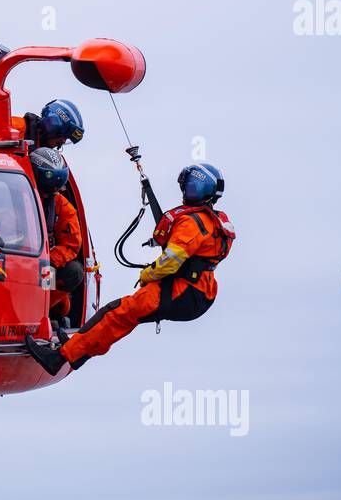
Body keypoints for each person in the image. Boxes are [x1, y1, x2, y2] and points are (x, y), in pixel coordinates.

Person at [25, 162, 235, 375]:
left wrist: (147, 274)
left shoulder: (191, 222)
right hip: (202, 292)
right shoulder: (214, 221)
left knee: (115, 314)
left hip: (182, 289)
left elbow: (172, 260)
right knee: (119, 319)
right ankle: (73, 347)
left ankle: (59, 358)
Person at [29, 147, 85, 323]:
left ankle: (41, 311)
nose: (52, 194)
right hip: (15, 261)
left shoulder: (63, 207)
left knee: (72, 272)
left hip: (42, 265)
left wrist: (47, 260)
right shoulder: (16, 194)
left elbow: (72, 245)